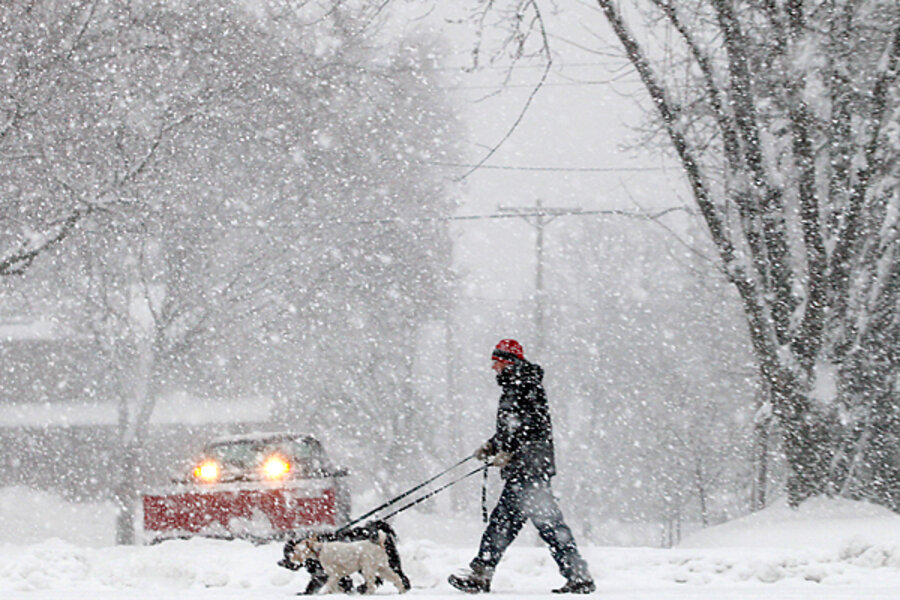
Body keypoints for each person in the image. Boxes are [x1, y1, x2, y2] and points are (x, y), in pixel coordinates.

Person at [448, 339, 595, 594]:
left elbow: (528, 426)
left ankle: (481, 573)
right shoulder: (518, 384)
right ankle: (577, 575)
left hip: (529, 468)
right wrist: (492, 446)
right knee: (532, 524)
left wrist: (509, 451)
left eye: (496, 362)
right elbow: (512, 429)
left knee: (519, 523)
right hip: (528, 467)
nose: (493, 368)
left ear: (508, 361)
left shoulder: (523, 384)